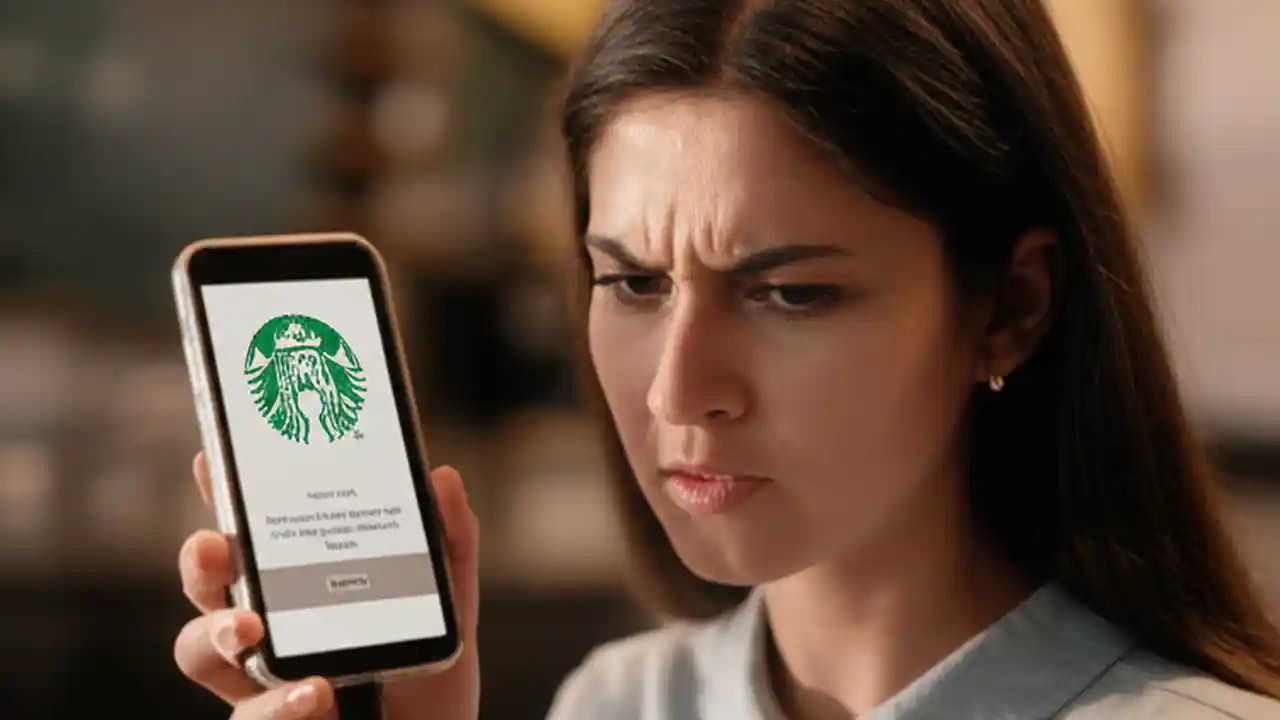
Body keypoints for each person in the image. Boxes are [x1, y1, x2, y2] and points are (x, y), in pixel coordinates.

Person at [173, 1, 1280, 718]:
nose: (677, 391)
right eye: (632, 284)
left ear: (1011, 309)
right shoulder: (617, 705)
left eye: (790, 293)